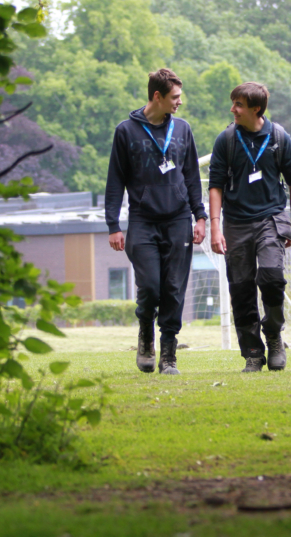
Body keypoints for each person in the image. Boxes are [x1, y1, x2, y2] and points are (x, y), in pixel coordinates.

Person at [105, 69, 207, 375]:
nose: (179, 103)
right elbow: (115, 180)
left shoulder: (183, 129)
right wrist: (113, 224)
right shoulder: (126, 131)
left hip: (178, 219)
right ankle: (145, 336)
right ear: (157, 96)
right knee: (149, 286)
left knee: (174, 287)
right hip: (143, 220)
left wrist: (199, 216)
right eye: (174, 97)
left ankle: (169, 354)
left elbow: (191, 176)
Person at [208, 82, 291, 373]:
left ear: (255, 109)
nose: (232, 109)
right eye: (232, 103)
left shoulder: (279, 137)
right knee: (241, 289)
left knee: (272, 278)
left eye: (238, 104)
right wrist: (215, 227)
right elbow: (215, 186)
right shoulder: (226, 140)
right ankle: (252, 352)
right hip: (235, 223)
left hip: (271, 219)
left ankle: (274, 336)